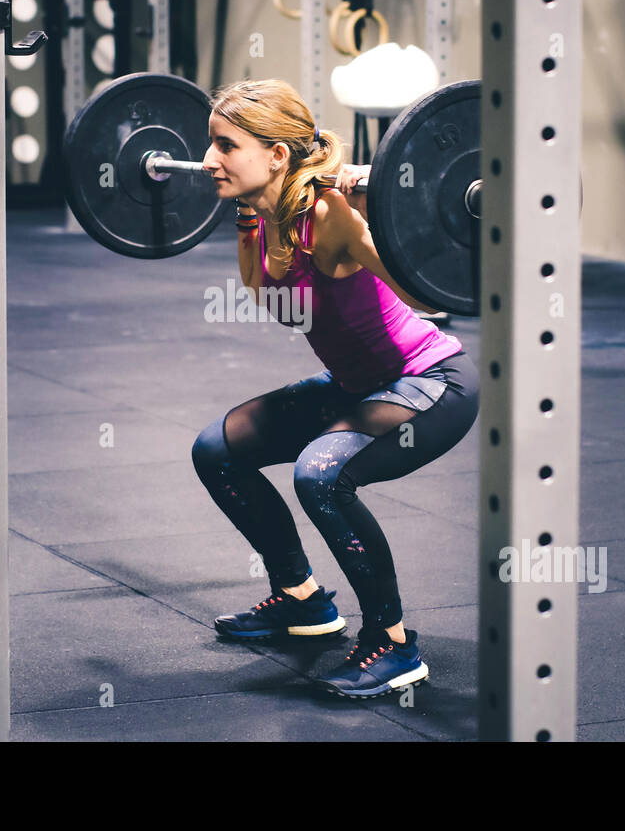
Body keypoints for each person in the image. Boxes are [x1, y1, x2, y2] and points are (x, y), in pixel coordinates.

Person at [190, 78, 480, 699]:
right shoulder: (262, 218)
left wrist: (391, 214)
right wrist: (254, 214)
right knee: (216, 450)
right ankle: (301, 600)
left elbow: (430, 293)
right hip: (354, 385)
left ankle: (393, 643)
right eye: (209, 144)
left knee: (320, 475)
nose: (208, 160)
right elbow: (275, 299)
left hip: (428, 382)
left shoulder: (330, 216)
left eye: (224, 145)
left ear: (275, 155)